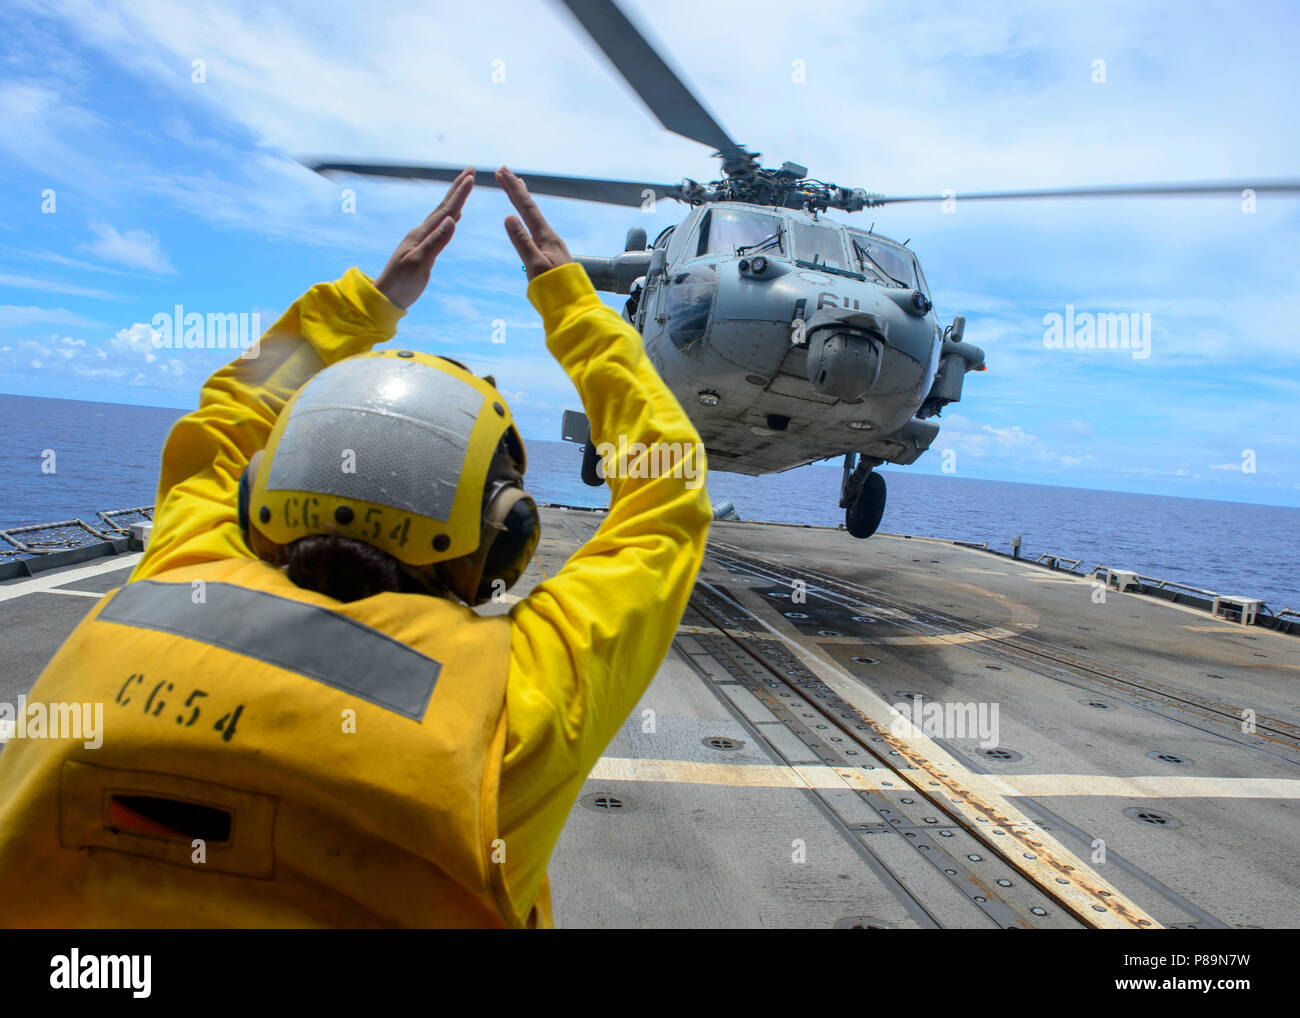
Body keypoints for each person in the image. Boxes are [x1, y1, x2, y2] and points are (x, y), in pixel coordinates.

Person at [0, 167, 712, 928]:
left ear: (260, 493)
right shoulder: (518, 700)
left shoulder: (177, 569)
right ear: (504, 539)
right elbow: (668, 494)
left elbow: (227, 415)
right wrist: (574, 310)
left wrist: (371, 302)